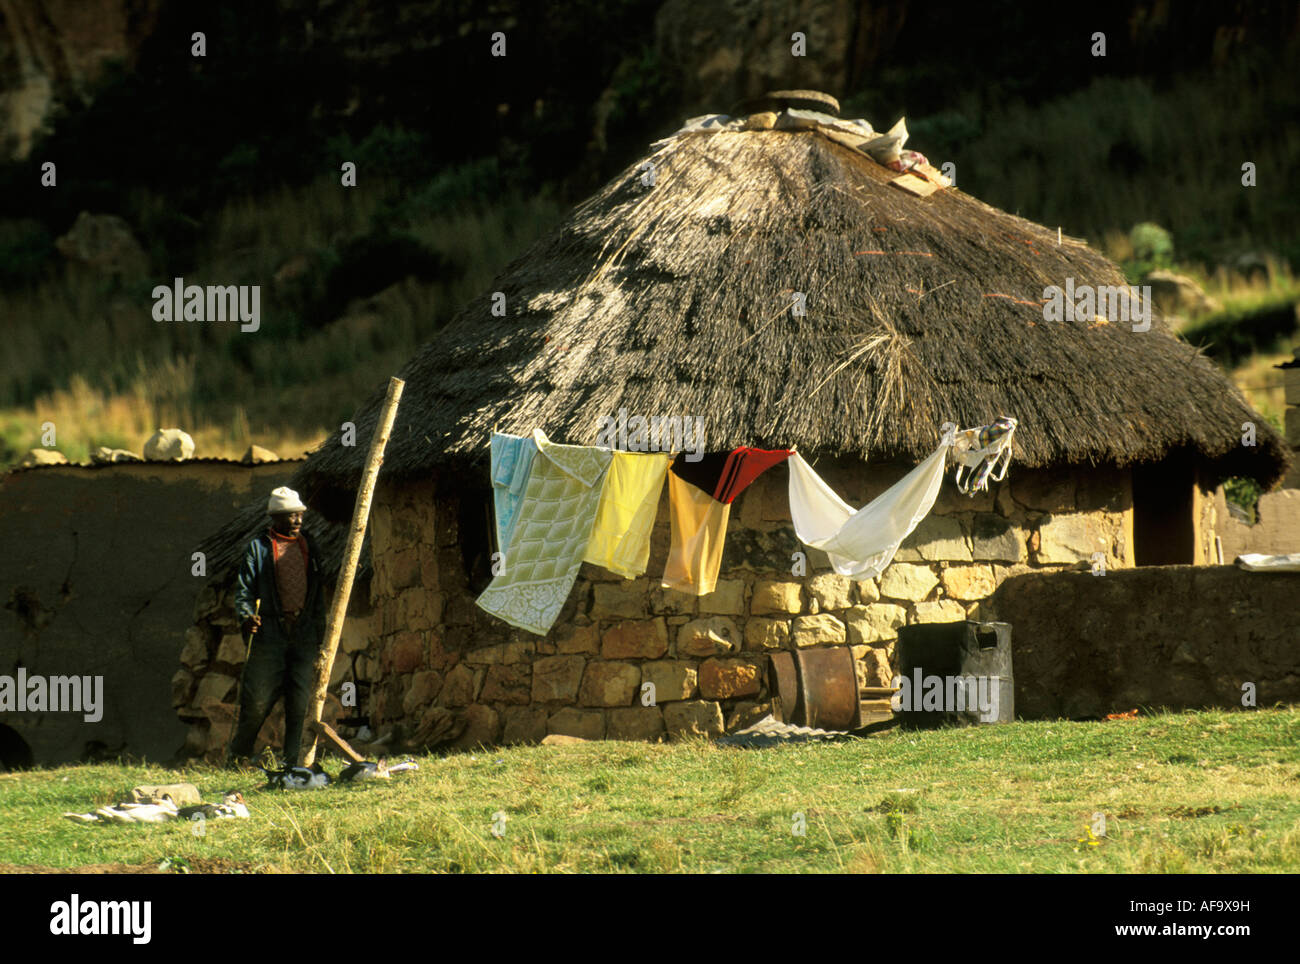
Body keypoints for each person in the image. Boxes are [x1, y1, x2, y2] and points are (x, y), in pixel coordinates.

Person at [228, 487, 329, 767]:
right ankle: (238, 757)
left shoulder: (310, 546)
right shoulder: (259, 549)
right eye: (290, 516)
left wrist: (320, 632)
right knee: (258, 701)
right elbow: (244, 591)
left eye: (299, 515)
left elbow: (317, 593)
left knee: (299, 701)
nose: (297, 521)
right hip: (271, 633)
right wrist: (247, 616)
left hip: (304, 633)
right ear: (275, 518)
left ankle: (292, 761)